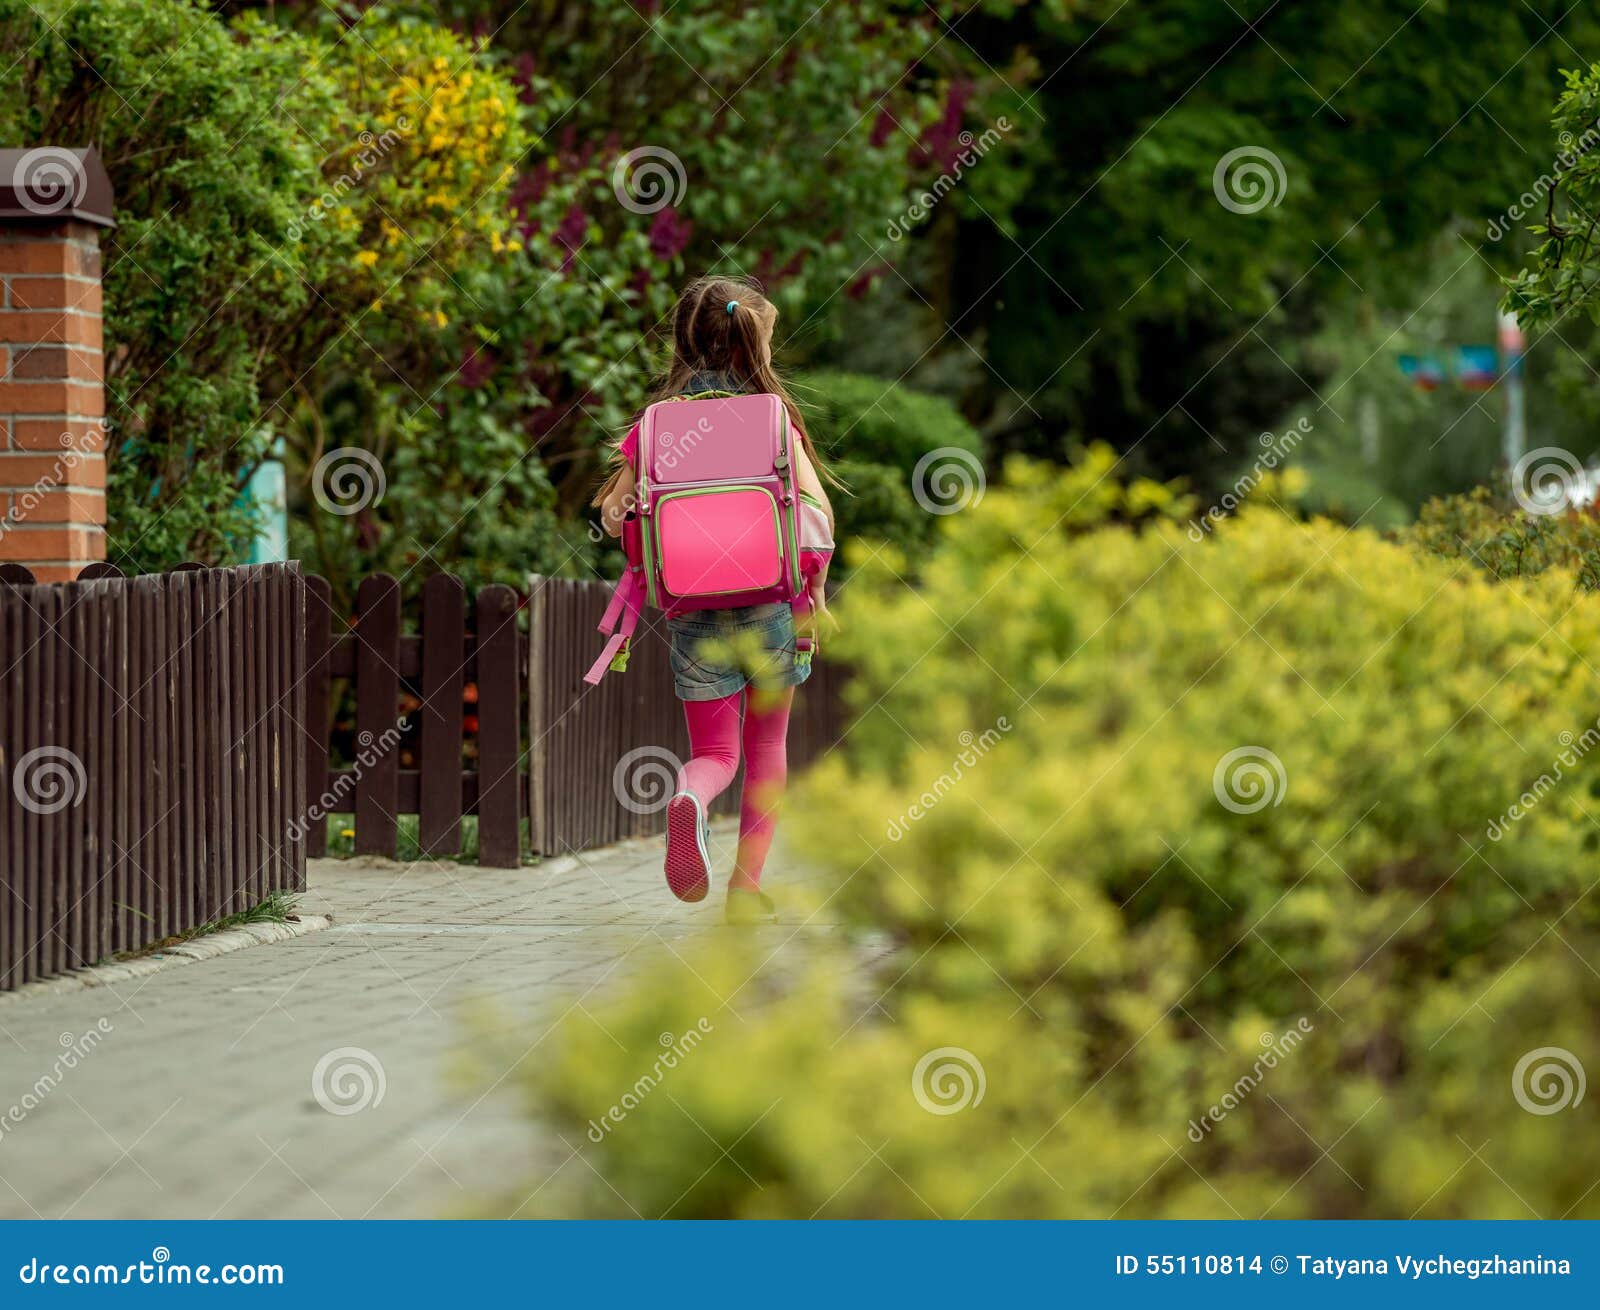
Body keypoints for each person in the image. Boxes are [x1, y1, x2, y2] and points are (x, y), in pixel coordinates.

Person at [594, 275, 837, 925]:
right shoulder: (772, 418)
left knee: (715, 756)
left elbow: (617, 513)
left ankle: (689, 801)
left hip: (693, 608)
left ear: (684, 341)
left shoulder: (655, 426)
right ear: (751, 341)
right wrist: (813, 589)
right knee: (766, 750)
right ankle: (745, 890)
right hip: (768, 607)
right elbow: (817, 518)